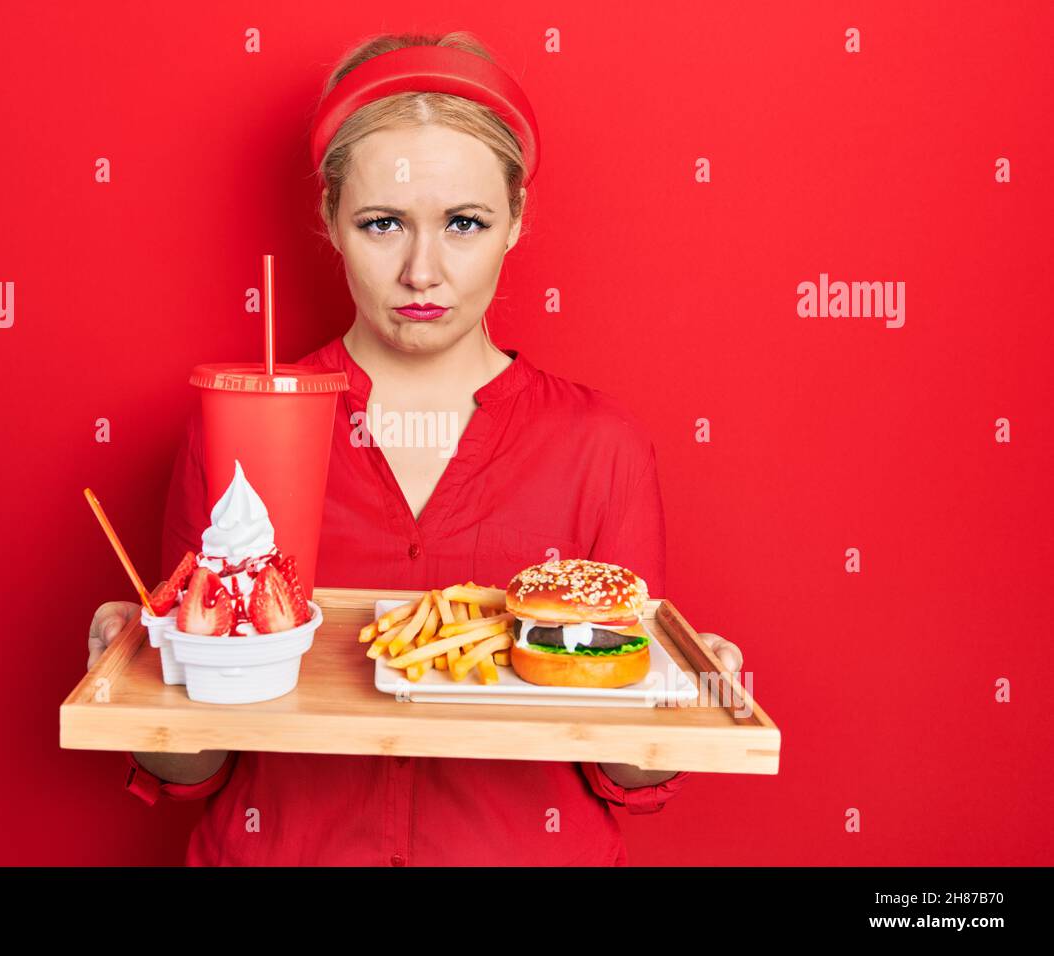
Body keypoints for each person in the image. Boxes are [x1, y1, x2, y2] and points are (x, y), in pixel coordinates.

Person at [87, 31, 744, 866]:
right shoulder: (242, 423)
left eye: (465, 222)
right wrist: (144, 677)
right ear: (329, 220)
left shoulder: (602, 447)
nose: (422, 271)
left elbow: (629, 774)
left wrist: (676, 696)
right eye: (383, 223)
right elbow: (192, 764)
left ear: (516, 222)